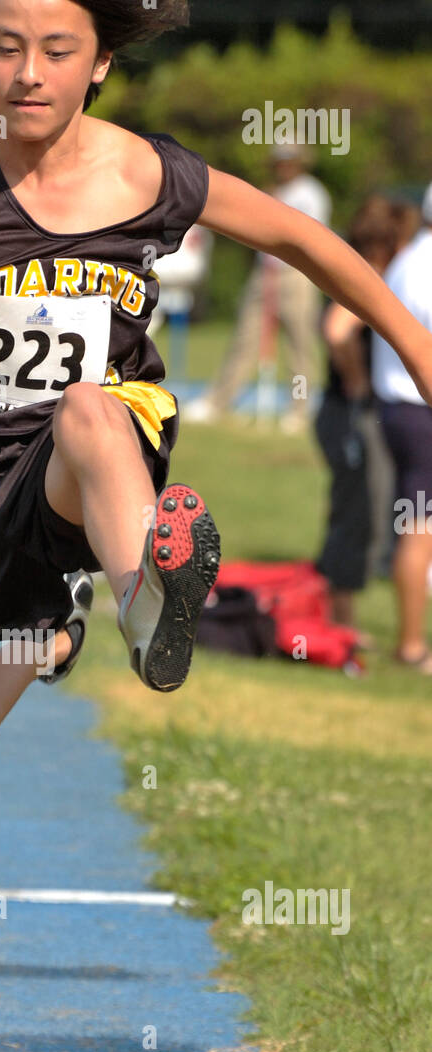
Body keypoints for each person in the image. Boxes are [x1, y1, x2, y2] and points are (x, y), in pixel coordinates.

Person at [0, 0, 432, 834]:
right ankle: (48, 636)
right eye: (6, 48)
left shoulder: (148, 175)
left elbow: (303, 241)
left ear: (99, 65)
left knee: (85, 405)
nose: (28, 73)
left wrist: (414, 343)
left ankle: (144, 598)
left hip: (91, 458)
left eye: (56, 51)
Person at [187, 144, 332, 432]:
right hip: (264, 272)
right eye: (279, 161)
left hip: (296, 274)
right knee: (245, 339)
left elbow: (307, 236)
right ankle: (218, 402)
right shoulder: (272, 190)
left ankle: (300, 411)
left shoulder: (311, 193)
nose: (283, 167)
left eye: (288, 161)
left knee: (299, 345)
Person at [314, 199, 399, 632]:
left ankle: (337, 614)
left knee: (355, 509)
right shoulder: (367, 275)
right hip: (348, 412)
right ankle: (341, 624)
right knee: (358, 512)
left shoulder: (342, 268)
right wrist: (359, 383)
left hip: (339, 411)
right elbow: (337, 330)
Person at [372, 180, 432, 674]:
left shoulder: (410, 258)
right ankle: (412, 644)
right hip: (419, 409)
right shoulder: (424, 263)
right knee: (418, 526)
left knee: (415, 521)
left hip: (400, 406)